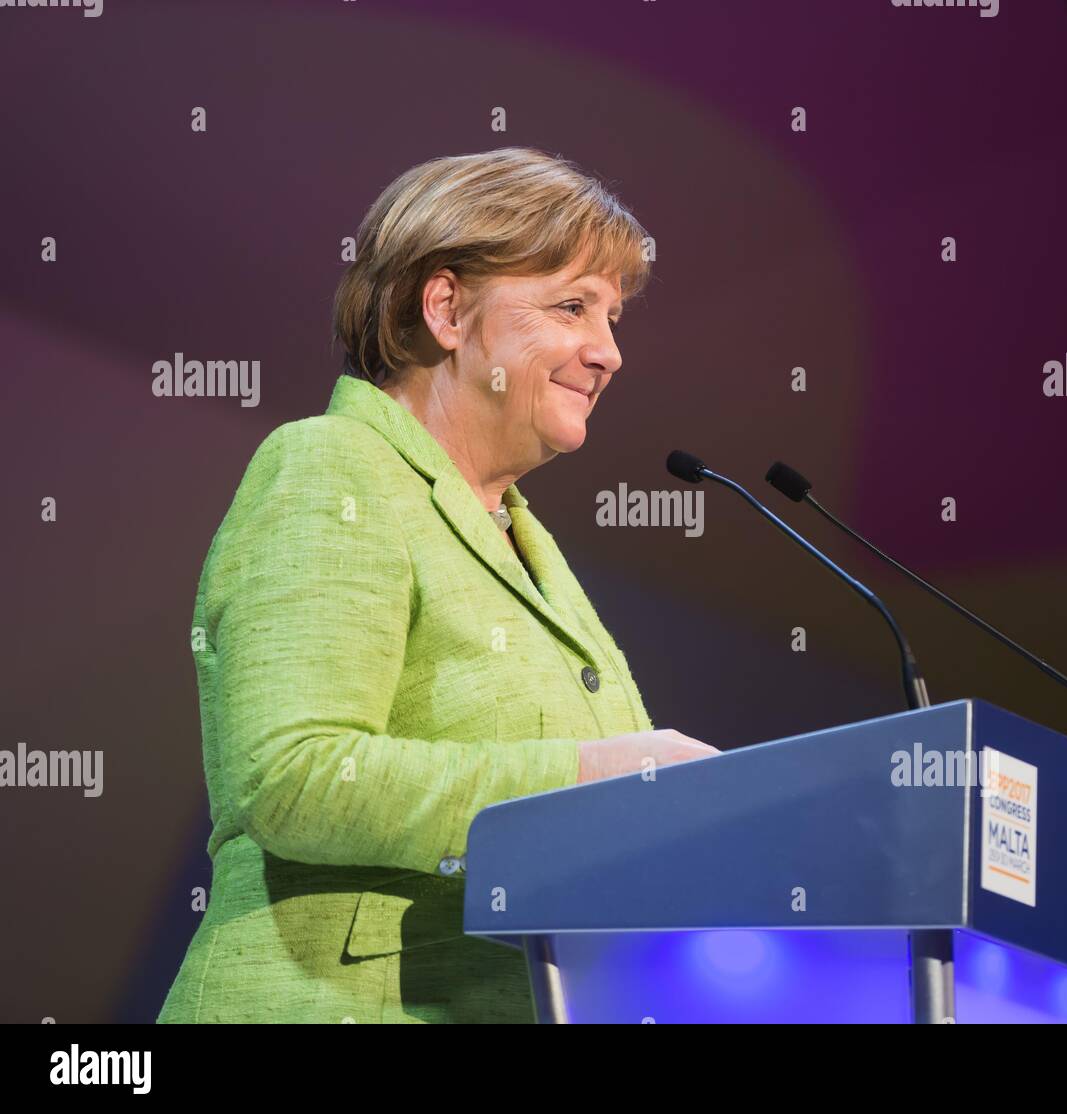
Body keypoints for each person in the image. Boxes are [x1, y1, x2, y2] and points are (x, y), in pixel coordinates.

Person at [157, 147, 718, 1024]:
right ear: (448, 308)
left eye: (612, 318)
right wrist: (587, 778)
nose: (607, 353)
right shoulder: (331, 466)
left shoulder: (525, 539)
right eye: (573, 306)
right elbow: (292, 777)